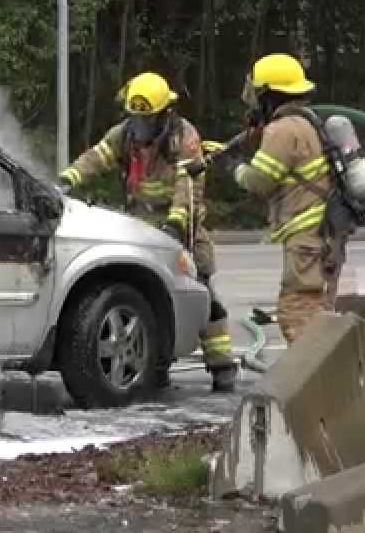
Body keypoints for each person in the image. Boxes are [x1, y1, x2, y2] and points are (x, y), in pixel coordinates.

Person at [59, 72, 237, 392]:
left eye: (147, 120)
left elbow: (188, 188)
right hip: (140, 229)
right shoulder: (124, 135)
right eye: (136, 118)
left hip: (180, 227)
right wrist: (67, 179)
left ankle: (222, 365)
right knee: (149, 300)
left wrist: (176, 224)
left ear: (165, 114)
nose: (140, 127)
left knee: (203, 293)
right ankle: (156, 368)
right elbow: (96, 158)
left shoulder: (184, 138)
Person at [226, 53, 343, 345]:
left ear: (269, 95)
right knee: (318, 310)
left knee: (298, 311)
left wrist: (234, 167)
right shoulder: (305, 122)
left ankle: (312, 372)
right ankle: (326, 369)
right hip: (323, 235)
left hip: (307, 238)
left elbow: (260, 181)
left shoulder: (283, 130)